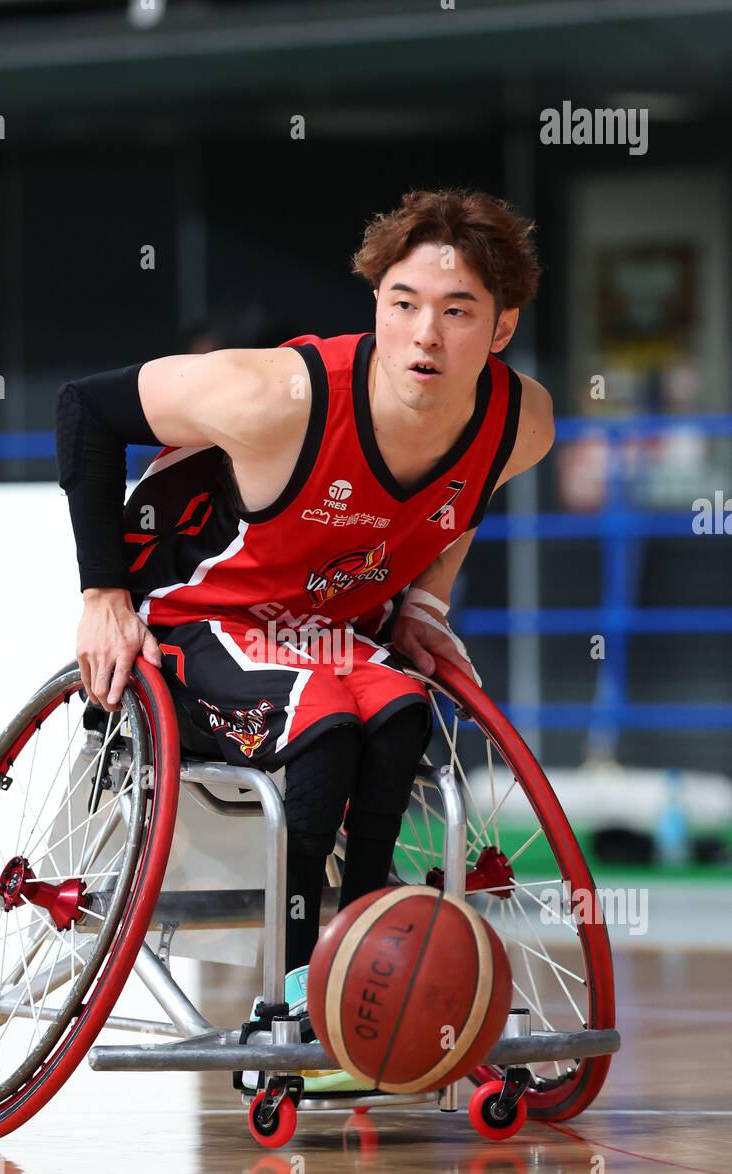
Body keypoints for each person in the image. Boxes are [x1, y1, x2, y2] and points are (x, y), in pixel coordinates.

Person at [56, 187, 555, 1090]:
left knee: (403, 705)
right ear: (377, 305)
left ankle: (359, 975)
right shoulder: (277, 396)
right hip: (200, 614)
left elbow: (459, 505)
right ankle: (295, 997)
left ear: (502, 328)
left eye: (457, 312)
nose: (425, 335)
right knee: (324, 716)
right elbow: (84, 411)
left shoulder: (519, 424)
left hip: (323, 629)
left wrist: (428, 608)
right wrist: (102, 595)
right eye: (403, 304)